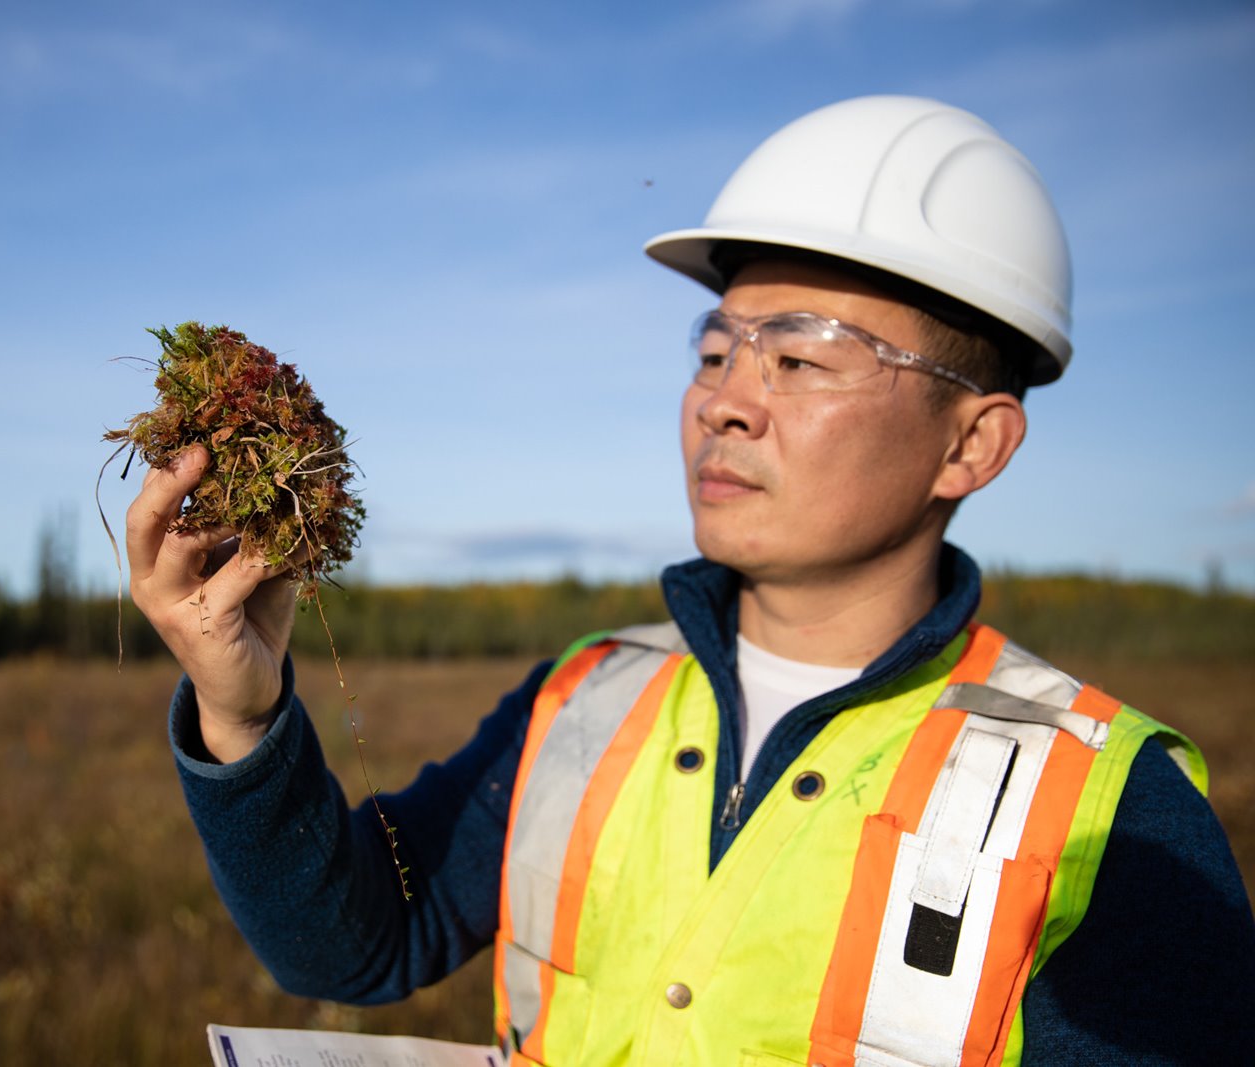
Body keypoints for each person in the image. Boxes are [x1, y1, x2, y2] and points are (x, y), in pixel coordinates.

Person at [125, 96, 1255, 1065]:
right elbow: (360, 938)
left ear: (972, 445)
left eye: (800, 356)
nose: (725, 397)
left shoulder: (1113, 814)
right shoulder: (584, 701)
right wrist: (243, 705)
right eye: (716, 349)